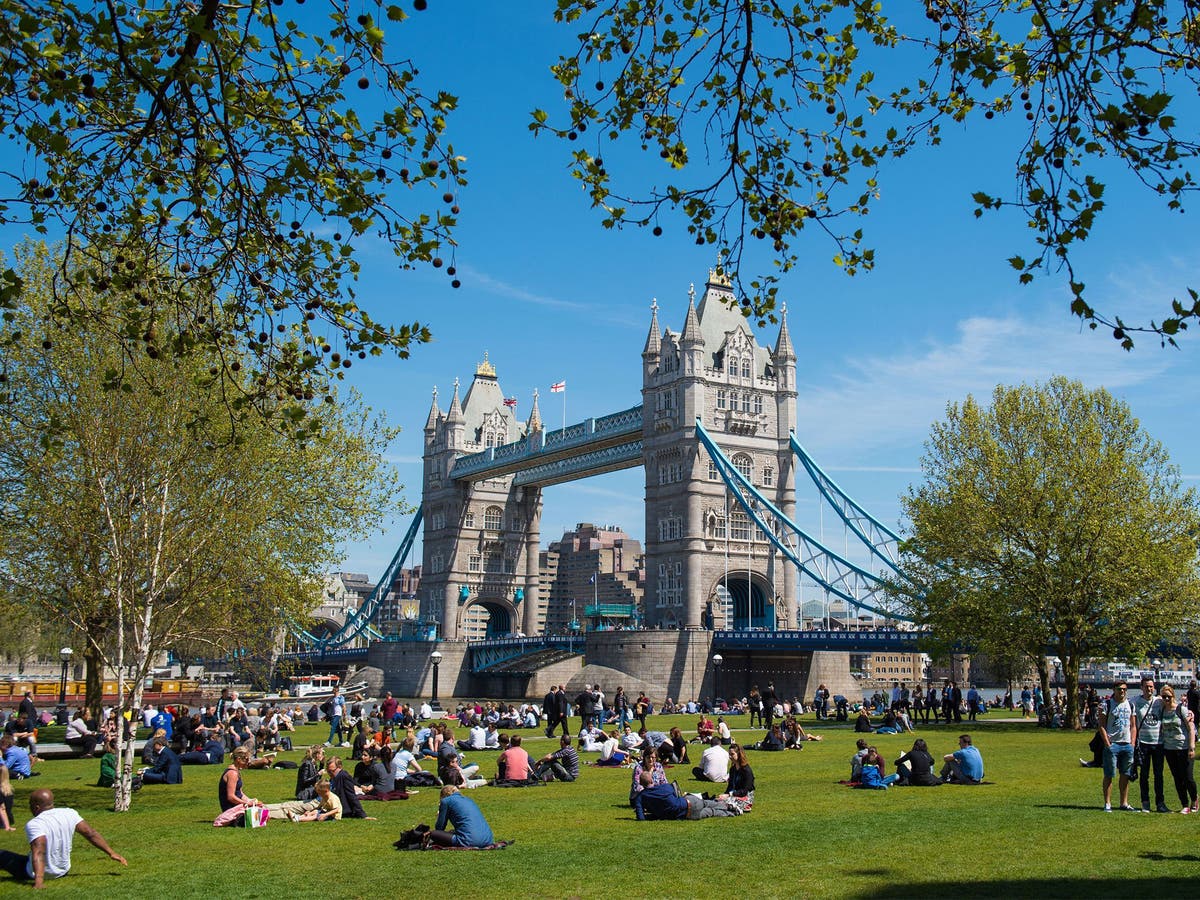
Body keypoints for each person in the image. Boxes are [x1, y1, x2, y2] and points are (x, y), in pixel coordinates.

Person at [0, 788, 126, 888]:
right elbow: (90, 833)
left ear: (36, 807)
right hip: (63, 870)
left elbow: (39, 851)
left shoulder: (35, 823)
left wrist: (39, 881)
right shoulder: (69, 813)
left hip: (36, 873)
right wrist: (111, 853)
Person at [633, 772, 740, 819]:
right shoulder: (665, 787)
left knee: (710, 812)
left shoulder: (640, 797)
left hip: (685, 814)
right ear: (652, 780)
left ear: (641, 784)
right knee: (706, 803)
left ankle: (732, 813)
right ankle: (728, 806)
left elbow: (641, 817)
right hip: (688, 802)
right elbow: (675, 792)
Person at [1158, 684, 1197, 814]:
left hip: (1183, 747)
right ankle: (1185, 804)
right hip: (1169, 748)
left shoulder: (1181, 710)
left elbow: (1191, 728)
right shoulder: (1163, 709)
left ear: (1173, 696)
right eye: (1164, 697)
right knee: (1177, 777)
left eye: (1168, 697)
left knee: (1188, 777)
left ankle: (1194, 799)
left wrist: (1191, 747)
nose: (1166, 699)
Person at [1099, 681, 1138, 811]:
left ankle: (1124, 803)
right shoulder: (1107, 704)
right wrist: (1108, 744)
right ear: (1114, 690)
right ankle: (1107, 803)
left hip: (1127, 744)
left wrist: (1132, 743)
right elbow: (1102, 726)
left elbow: (1133, 726)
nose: (1122, 691)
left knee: (1125, 774)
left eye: (1124, 689)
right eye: (1119, 689)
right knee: (1109, 774)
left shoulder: (1130, 705)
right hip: (1113, 744)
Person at [1133, 675, 1168, 812]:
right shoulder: (1135, 702)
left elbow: (1173, 706)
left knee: (1159, 775)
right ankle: (1145, 802)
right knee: (1144, 775)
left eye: (1151, 687)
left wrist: (1189, 713)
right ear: (1141, 687)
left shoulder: (1159, 701)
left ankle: (1160, 803)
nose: (1149, 689)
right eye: (1146, 686)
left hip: (1158, 743)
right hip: (1143, 743)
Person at [429, 784, 494, 847]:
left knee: (433, 833)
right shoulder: (469, 800)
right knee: (453, 832)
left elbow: (440, 828)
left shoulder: (445, 801)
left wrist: (440, 815)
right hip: (488, 840)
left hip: (470, 841)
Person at [719, 743, 755, 813]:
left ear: (739, 754)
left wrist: (729, 794)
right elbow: (730, 786)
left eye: (732, 754)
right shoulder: (733, 769)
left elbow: (745, 791)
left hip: (745, 796)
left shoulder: (746, 771)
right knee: (718, 801)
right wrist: (724, 795)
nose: (730, 756)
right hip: (734, 795)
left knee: (724, 804)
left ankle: (742, 807)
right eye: (729, 754)